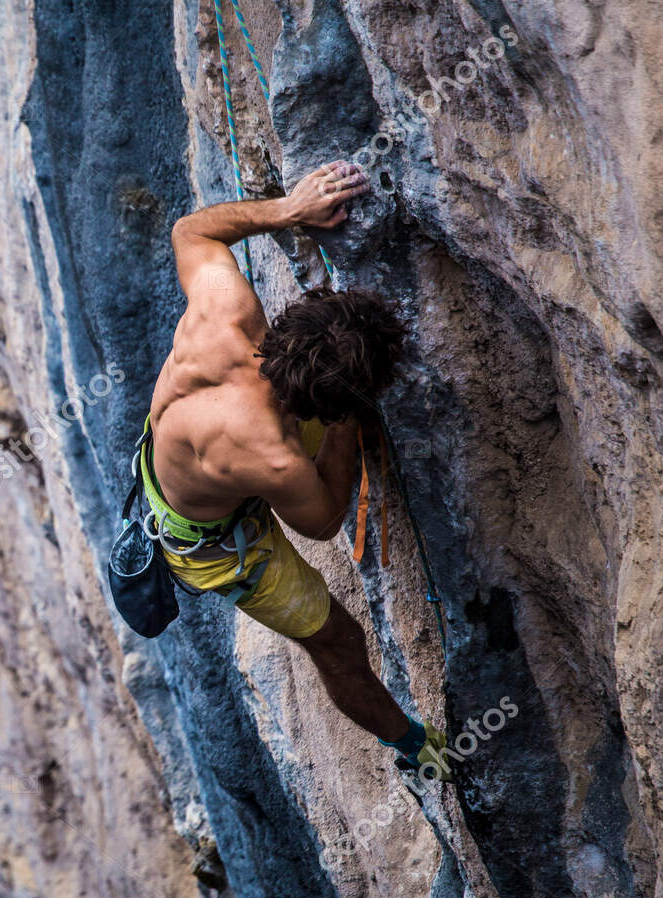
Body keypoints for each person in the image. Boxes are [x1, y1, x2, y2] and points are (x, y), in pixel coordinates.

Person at [143, 160, 446, 773]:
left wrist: (288, 208)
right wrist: (350, 418)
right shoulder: (277, 459)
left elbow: (191, 233)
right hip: (213, 544)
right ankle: (420, 751)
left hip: (191, 449)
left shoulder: (228, 313)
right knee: (338, 640)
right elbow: (322, 519)